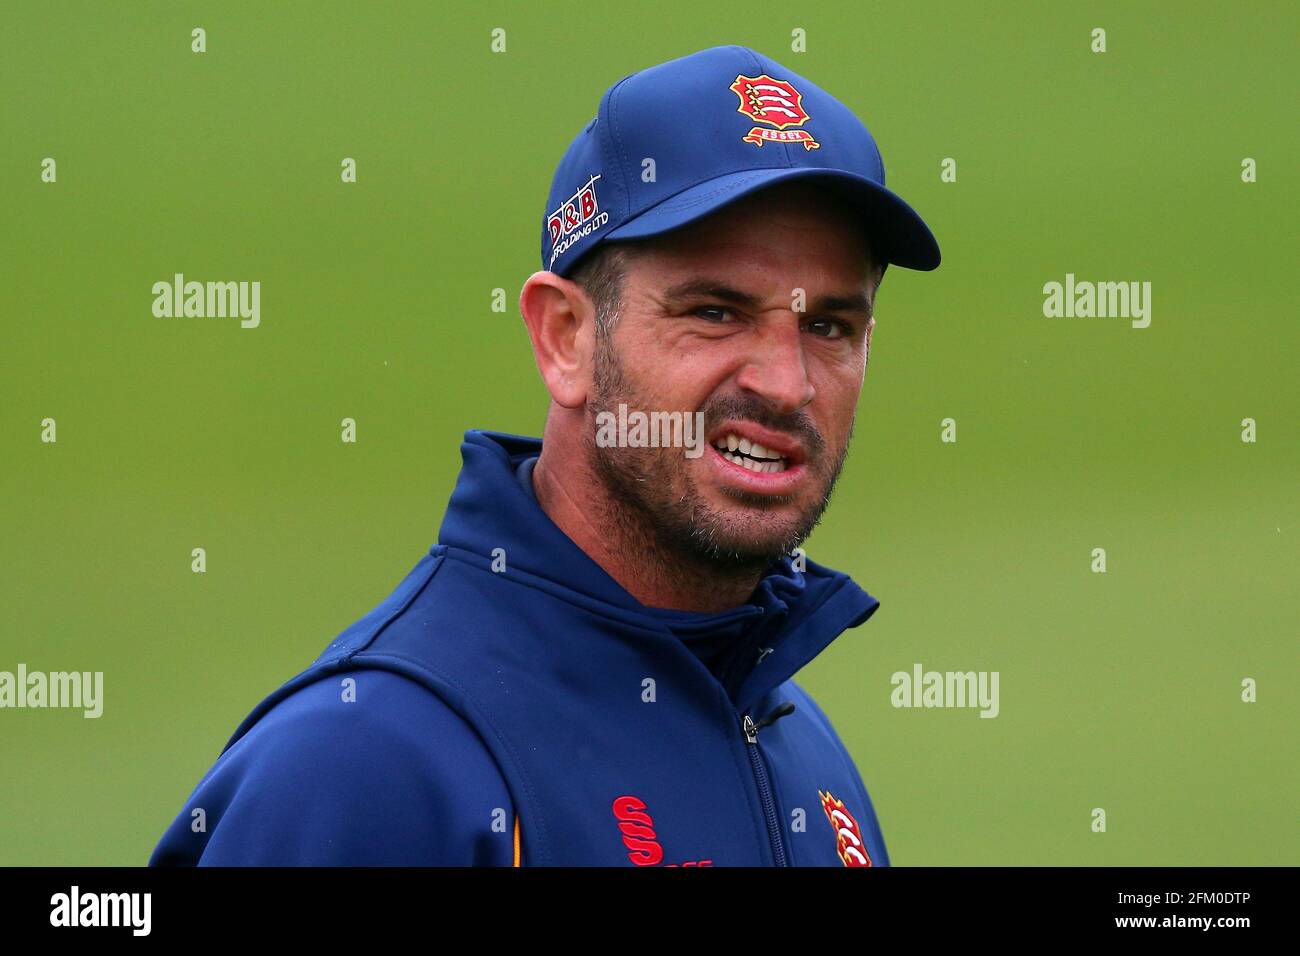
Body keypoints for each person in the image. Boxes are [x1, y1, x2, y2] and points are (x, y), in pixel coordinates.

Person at [150, 43, 940, 867]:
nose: (787, 384)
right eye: (713, 312)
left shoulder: (800, 754)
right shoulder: (370, 765)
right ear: (564, 337)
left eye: (828, 327)